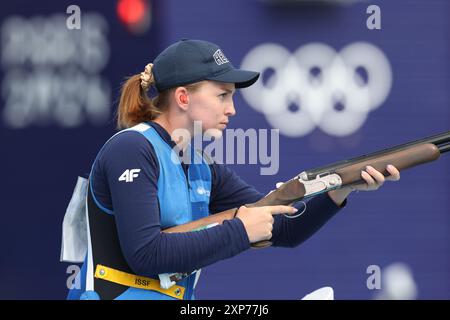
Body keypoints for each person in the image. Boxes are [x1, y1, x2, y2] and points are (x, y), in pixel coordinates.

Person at [67, 39, 400, 300]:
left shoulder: (201, 165)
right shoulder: (132, 149)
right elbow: (145, 253)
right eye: (223, 95)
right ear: (183, 97)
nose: (232, 109)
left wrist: (343, 187)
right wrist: (240, 230)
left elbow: (283, 228)